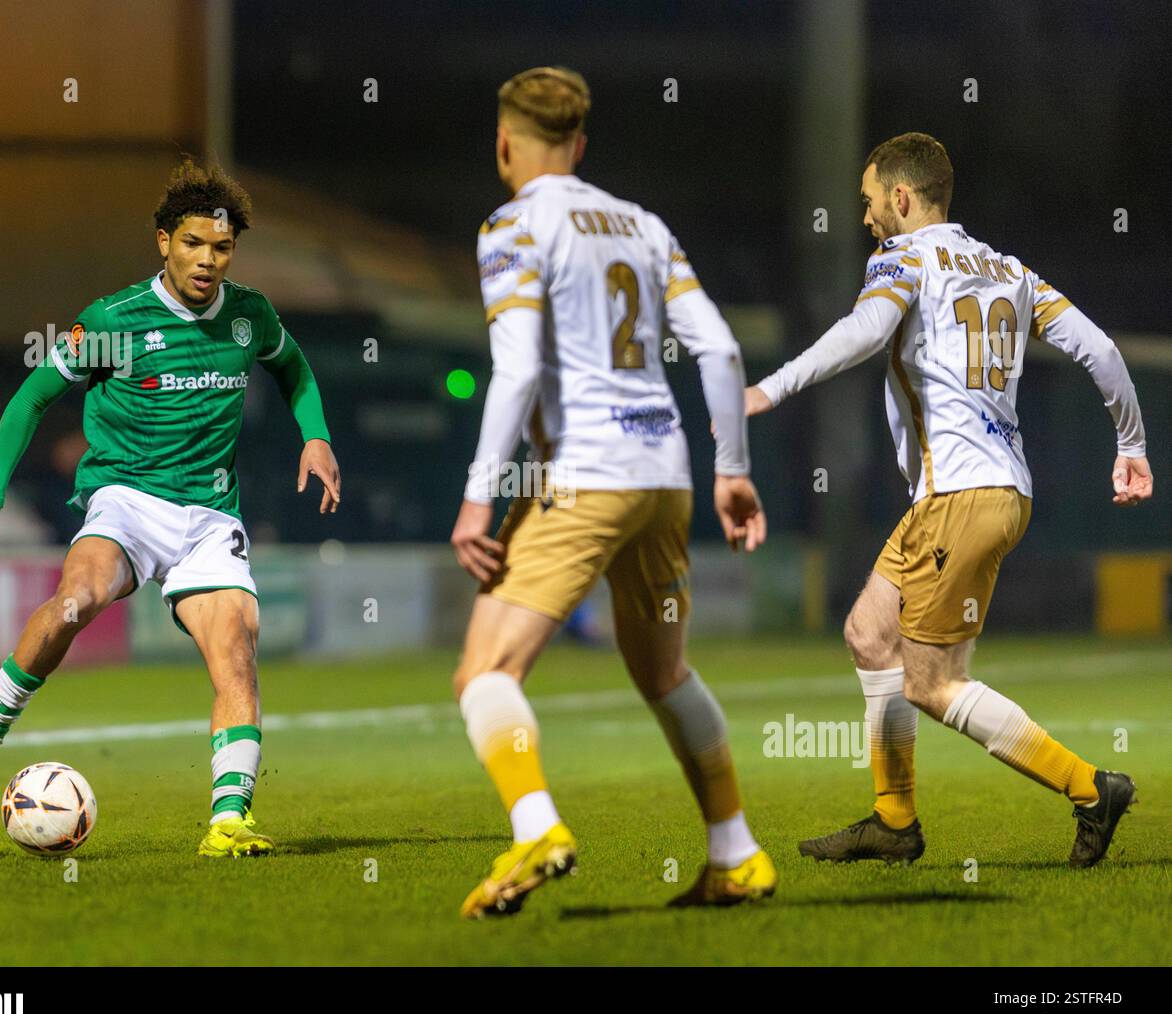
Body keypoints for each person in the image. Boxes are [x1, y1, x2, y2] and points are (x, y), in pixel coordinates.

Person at [747, 132, 1151, 868]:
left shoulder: (903, 257)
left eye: (870, 201)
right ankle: (893, 818)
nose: (867, 216)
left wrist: (770, 388)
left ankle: (1090, 787)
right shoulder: (1008, 269)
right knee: (871, 631)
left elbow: (865, 330)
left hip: (960, 496)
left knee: (933, 683)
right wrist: (1131, 447)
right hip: (987, 492)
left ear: (902, 198)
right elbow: (1102, 349)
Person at [0, 161, 341, 858]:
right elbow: (33, 397)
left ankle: (228, 821)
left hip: (210, 515)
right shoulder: (115, 322)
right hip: (124, 498)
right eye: (193, 245)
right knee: (76, 601)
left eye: (221, 248)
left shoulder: (249, 315)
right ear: (163, 242)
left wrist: (318, 437)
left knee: (235, 655)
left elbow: (293, 367)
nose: (208, 260)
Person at [450, 67, 772, 918]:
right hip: (664, 478)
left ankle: (537, 826)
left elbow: (515, 369)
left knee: (485, 672)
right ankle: (734, 853)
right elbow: (724, 351)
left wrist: (481, 497)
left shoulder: (514, 224)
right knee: (664, 673)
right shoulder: (643, 224)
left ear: (505, 143)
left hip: (582, 474)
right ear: (582, 144)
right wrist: (732, 468)